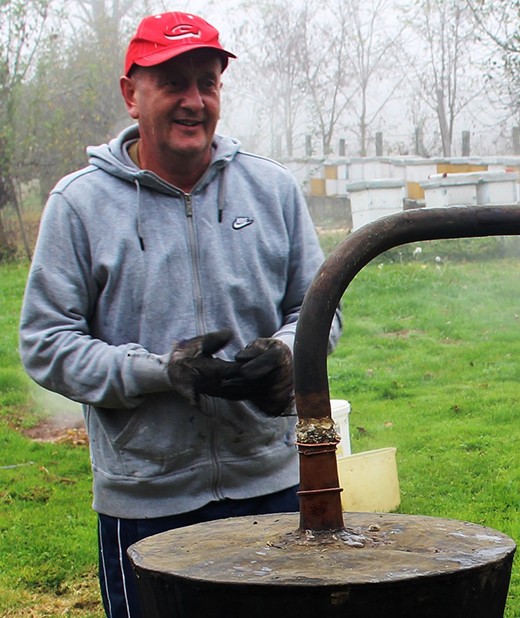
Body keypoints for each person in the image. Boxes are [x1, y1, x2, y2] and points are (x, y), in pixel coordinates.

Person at [18, 11, 341, 618]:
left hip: (271, 487)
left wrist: (285, 354)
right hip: (146, 501)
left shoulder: (271, 190)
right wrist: (160, 370)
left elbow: (320, 309)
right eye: (173, 83)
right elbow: (47, 342)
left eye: (207, 83)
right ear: (131, 94)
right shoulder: (79, 205)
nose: (194, 101)